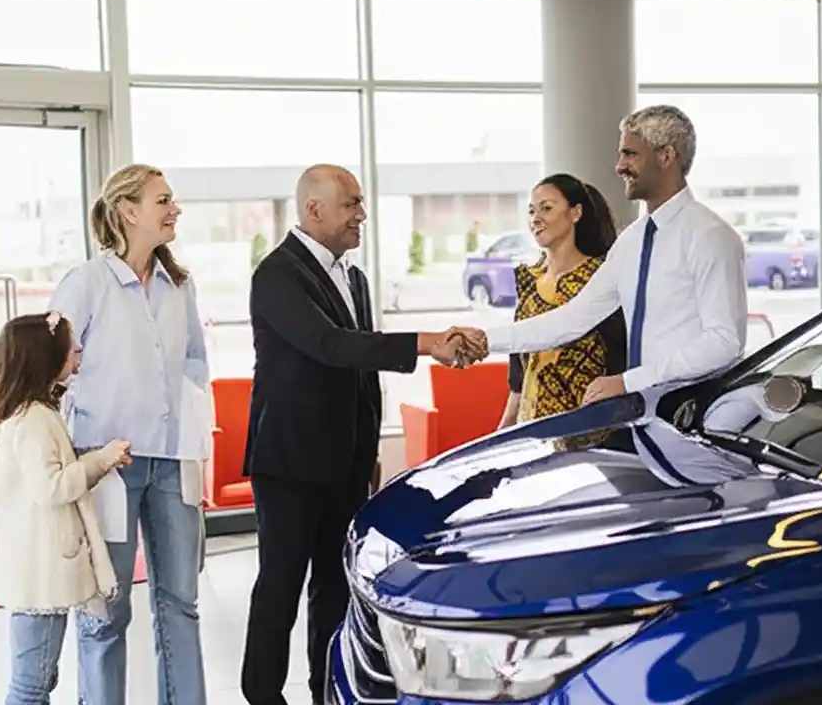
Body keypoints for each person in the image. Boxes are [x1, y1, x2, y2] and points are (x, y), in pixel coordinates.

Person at [240, 164, 463, 705]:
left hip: (345, 461)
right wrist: (427, 342)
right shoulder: (276, 274)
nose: (362, 215)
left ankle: (327, 691)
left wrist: (368, 451)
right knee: (281, 586)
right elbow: (330, 345)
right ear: (313, 209)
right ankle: (262, 694)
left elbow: (359, 370)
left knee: (335, 589)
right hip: (290, 462)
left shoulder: (354, 276)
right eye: (351, 204)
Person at [454, 104, 750, 486]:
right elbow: (571, 319)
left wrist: (628, 381)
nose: (619, 165)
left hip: (694, 432)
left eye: (630, 153)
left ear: (666, 156)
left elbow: (724, 342)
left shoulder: (711, 236)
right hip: (642, 429)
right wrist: (483, 339)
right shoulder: (631, 242)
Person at [48, 164, 212, 705]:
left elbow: (193, 371)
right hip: (107, 466)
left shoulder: (178, 285)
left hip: (171, 462)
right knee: (105, 607)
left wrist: (198, 454)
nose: (175, 209)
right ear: (128, 211)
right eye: (163, 200)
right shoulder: (86, 283)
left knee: (180, 602)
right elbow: (54, 368)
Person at [0, 311, 133, 705]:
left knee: (38, 680)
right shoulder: (35, 421)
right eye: (72, 348)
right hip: (42, 576)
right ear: (46, 358)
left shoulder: (32, 415)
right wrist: (100, 459)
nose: (79, 353)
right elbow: (52, 487)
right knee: (31, 685)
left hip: (36, 571)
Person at [498, 174, 626, 437]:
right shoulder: (529, 282)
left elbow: (623, 359)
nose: (536, 218)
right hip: (531, 434)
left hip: (590, 434)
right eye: (531, 210)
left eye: (546, 208)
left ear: (575, 213)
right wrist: (501, 434)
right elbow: (519, 378)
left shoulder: (601, 278)